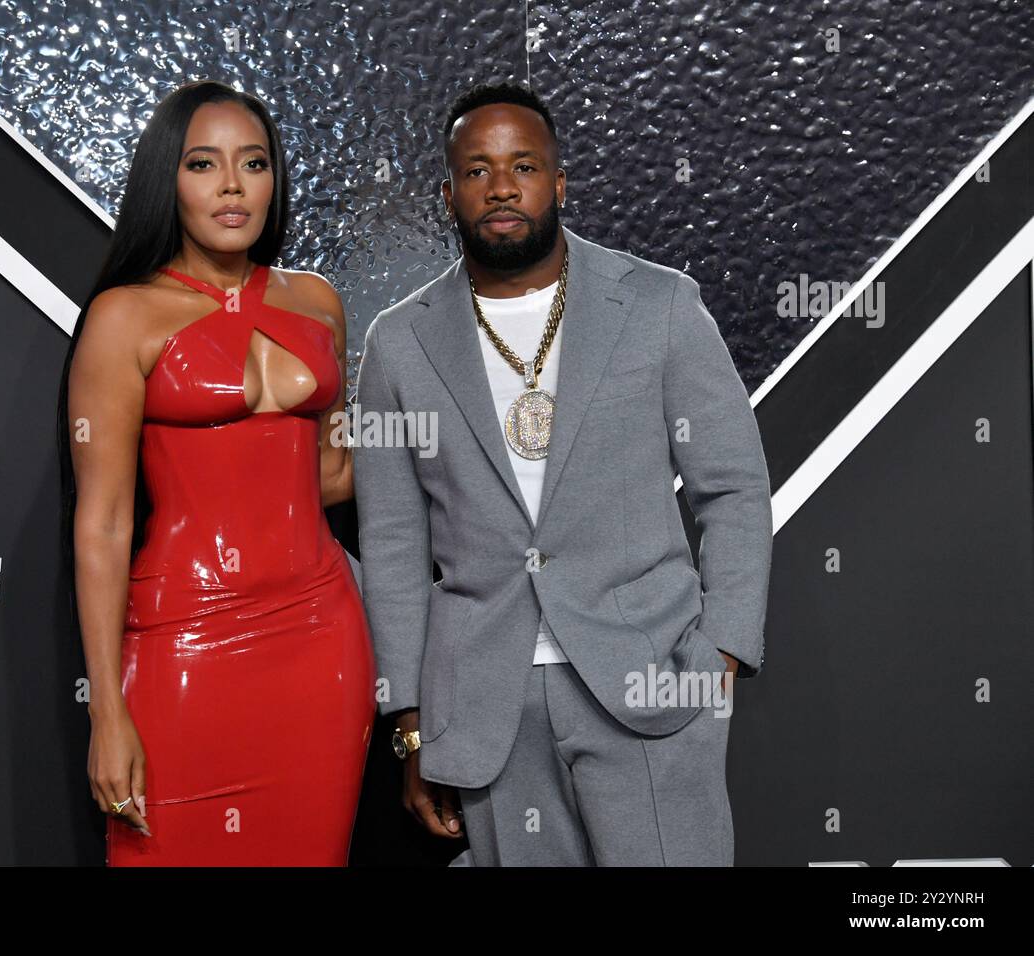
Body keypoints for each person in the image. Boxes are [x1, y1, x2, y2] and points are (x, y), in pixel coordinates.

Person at [354, 82, 773, 865]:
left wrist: (720, 652)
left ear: (560, 182)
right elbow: (391, 543)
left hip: (650, 681)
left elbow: (735, 487)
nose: (503, 186)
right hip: (486, 708)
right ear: (449, 194)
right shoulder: (399, 343)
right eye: (478, 170)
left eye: (525, 166)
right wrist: (408, 720)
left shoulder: (659, 305)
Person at [58, 80, 376, 865]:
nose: (233, 185)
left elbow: (332, 473)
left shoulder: (319, 302)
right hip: (180, 647)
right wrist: (107, 712)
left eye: (254, 163)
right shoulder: (124, 317)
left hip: (320, 640)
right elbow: (102, 521)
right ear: (170, 178)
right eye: (204, 164)